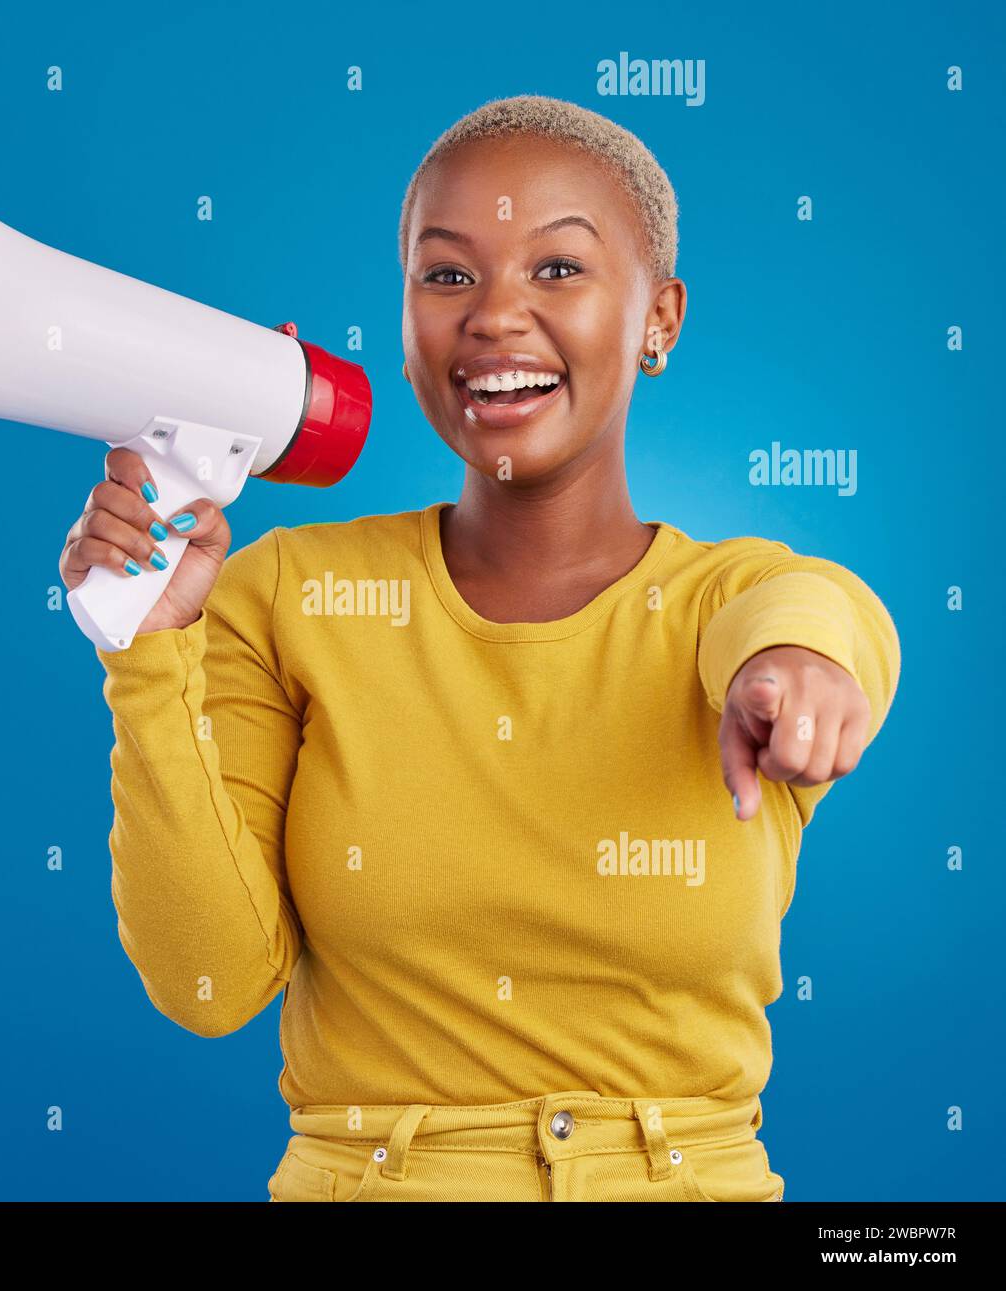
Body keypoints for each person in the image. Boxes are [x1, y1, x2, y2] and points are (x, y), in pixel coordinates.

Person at [58, 94, 900, 1202]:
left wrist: (789, 670)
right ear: (404, 328)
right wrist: (150, 653)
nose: (495, 315)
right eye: (447, 275)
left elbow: (816, 618)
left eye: (558, 270)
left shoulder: (732, 601)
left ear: (659, 319)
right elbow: (208, 980)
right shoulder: (286, 595)